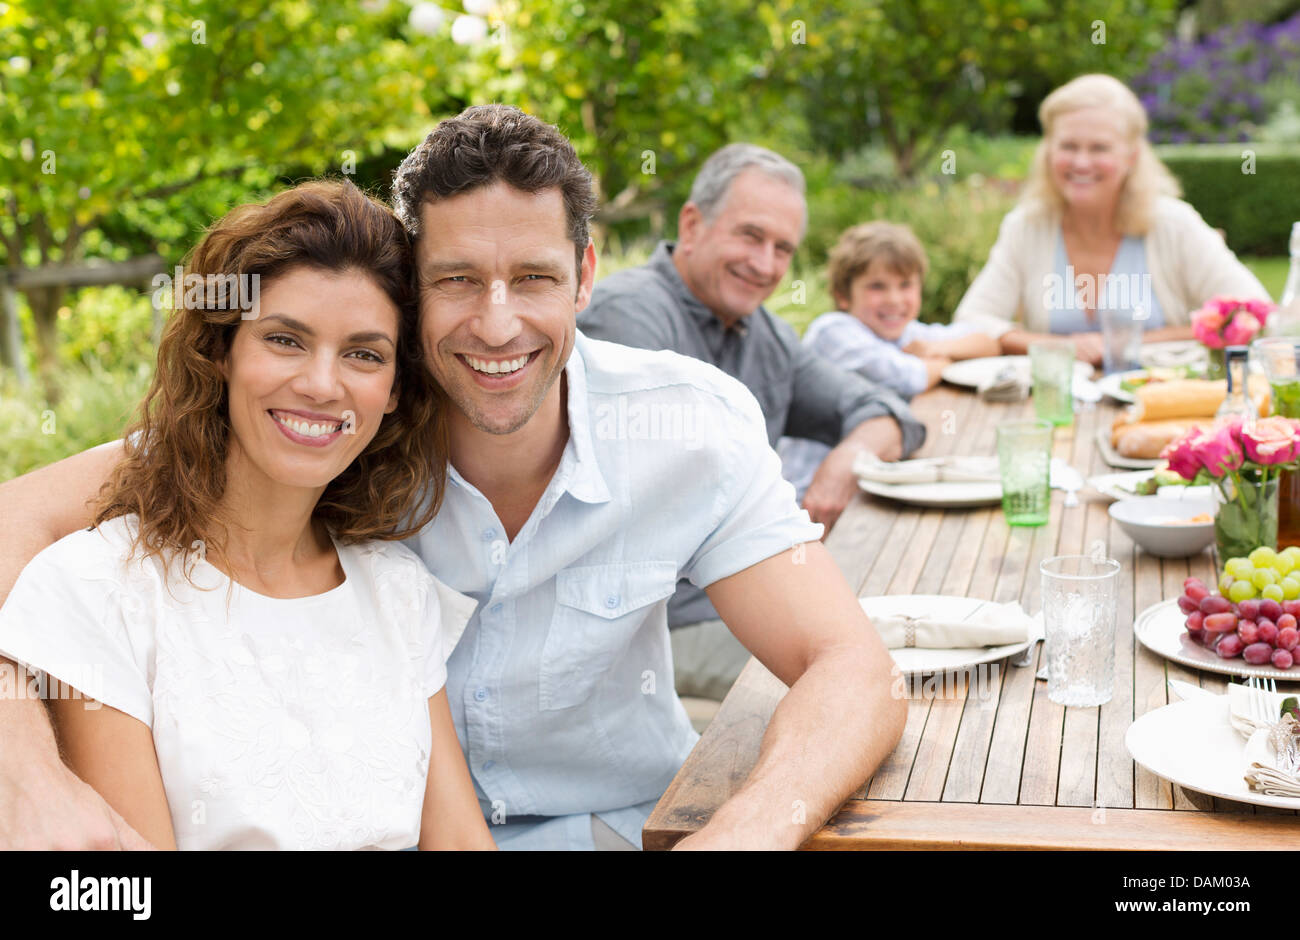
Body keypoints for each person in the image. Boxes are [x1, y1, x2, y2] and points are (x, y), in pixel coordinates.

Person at [0, 106, 906, 851]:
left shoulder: (686, 431)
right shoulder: (324, 428)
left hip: (626, 832)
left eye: (535, 278)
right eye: (459, 279)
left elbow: (852, 668)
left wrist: (750, 830)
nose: (499, 323)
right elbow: (23, 527)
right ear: (412, 291)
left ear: (586, 276)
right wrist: (21, 774)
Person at [0, 180, 495, 850]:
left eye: (364, 354)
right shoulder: (100, 591)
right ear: (222, 352)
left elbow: (463, 845)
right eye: (286, 340)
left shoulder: (395, 590)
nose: (322, 384)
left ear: (393, 392)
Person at [579, 144, 926, 700]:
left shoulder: (764, 333)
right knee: (877, 685)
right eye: (750, 236)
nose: (765, 264)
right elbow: (676, 481)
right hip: (664, 625)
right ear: (693, 224)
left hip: (754, 594)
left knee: (916, 641)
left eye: (782, 248)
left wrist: (843, 463)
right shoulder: (629, 313)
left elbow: (888, 414)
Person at [953, 73, 1271, 366]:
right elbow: (971, 323)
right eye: (1068, 146)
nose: (1081, 162)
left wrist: (1120, 343)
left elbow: (1254, 314)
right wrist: (1056, 346)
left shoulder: (1174, 224)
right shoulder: (1027, 226)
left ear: (1130, 157)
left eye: (1099, 148)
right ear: (1048, 151)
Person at [778, 221, 999, 500]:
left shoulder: (908, 333)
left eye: (905, 285)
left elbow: (988, 341)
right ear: (843, 296)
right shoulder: (833, 331)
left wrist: (935, 349)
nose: (894, 299)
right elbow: (910, 377)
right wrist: (942, 360)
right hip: (809, 495)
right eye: (877, 287)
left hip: (865, 484)